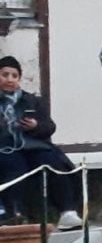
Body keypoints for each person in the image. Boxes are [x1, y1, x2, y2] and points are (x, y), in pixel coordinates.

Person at [0, 55, 84, 228]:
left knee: (50, 159)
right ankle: (15, 213)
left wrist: (35, 126)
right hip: (6, 147)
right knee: (13, 165)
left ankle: (67, 211)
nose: (10, 80)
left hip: (32, 144)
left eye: (14, 76)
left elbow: (49, 126)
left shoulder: (31, 100)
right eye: (5, 74)